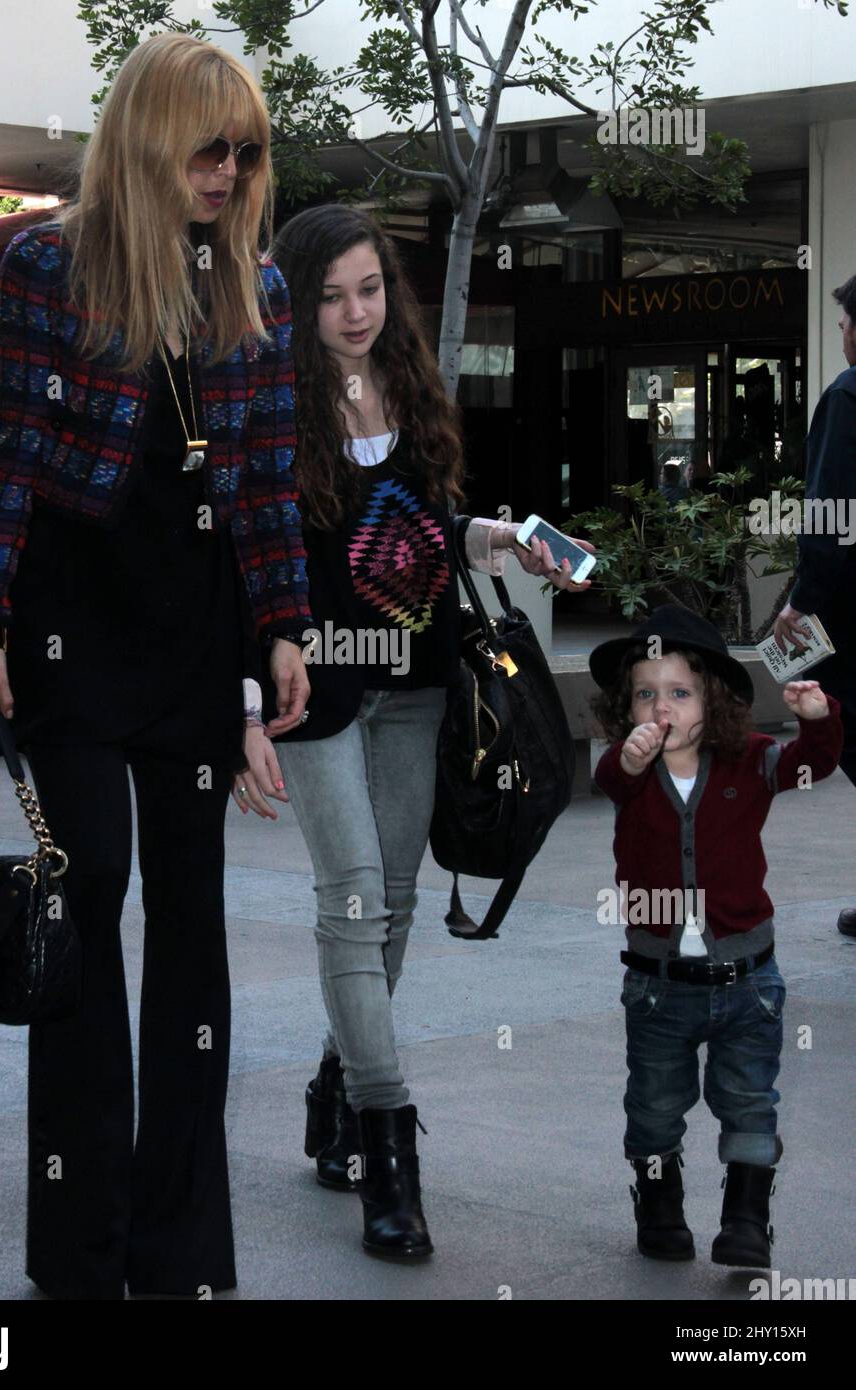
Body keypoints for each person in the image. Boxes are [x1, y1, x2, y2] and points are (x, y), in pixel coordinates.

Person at [0, 34, 312, 1300]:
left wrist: (284, 628)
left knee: (193, 935)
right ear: (151, 140)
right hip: (71, 624)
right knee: (87, 896)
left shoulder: (249, 283)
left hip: (196, 635)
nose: (227, 171)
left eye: (246, 152)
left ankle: (181, 1253)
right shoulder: (49, 263)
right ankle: (79, 1245)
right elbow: (3, 457)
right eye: (208, 148)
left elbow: (264, 482)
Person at [233, 204, 592, 1260]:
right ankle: (392, 1155)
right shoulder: (269, 397)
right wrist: (245, 701)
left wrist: (505, 542)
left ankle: (337, 1080)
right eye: (333, 293)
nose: (354, 312)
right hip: (314, 691)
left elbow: (432, 525)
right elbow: (248, 554)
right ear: (296, 301)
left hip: (420, 679)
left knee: (390, 902)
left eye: (370, 289)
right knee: (352, 900)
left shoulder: (414, 384)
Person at [590, 605, 842, 1268]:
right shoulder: (626, 772)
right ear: (626, 706)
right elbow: (607, 778)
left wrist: (819, 721)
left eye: (679, 692)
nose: (661, 708)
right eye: (645, 694)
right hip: (657, 986)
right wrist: (630, 754)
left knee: (750, 1104)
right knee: (652, 1106)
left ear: (714, 701)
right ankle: (659, 1205)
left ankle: (746, 1220)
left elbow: (809, 766)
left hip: (748, 983)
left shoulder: (749, 760)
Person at [774, 275, 856, 938]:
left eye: (842, 322)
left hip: (850, 615)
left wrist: (800, 601)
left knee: (843, 725)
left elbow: (829, 512)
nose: (839, 333)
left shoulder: (847, 397)